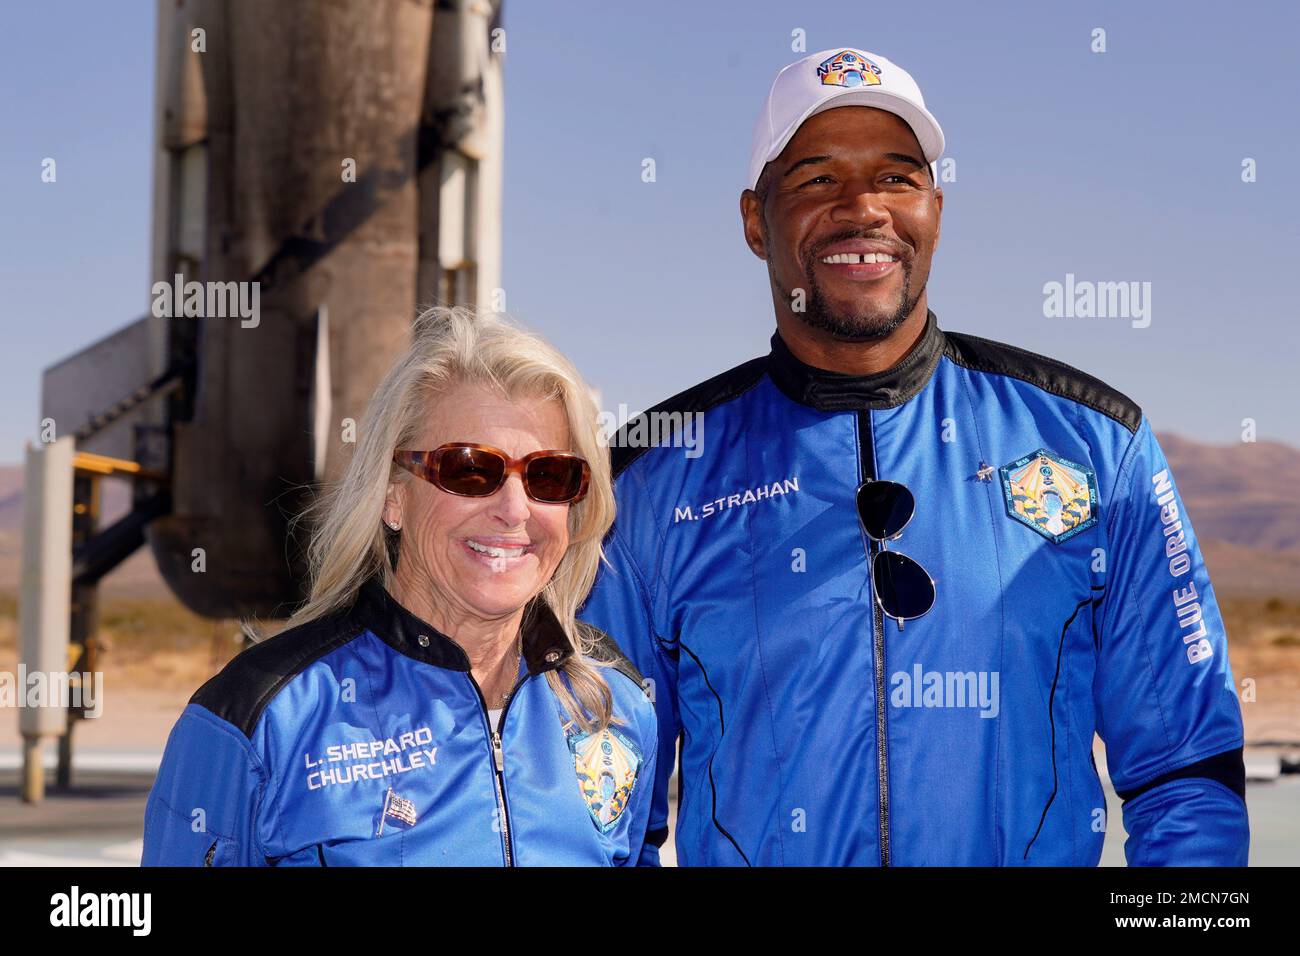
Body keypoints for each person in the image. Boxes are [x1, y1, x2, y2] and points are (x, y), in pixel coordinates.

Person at [578, 47, 1248, 866]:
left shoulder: (1096, 444)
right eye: (817, 178)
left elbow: (1186, 774)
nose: (863, 208)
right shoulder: (649, 476)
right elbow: (603, 814)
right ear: (756, 220)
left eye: (897, 177)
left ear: (935, 208)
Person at [143, 306, 658, 866]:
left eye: (548, 476)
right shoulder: (258, 716)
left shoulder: (613, 700)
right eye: (469, 470)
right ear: (393, 495)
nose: (515, 511)